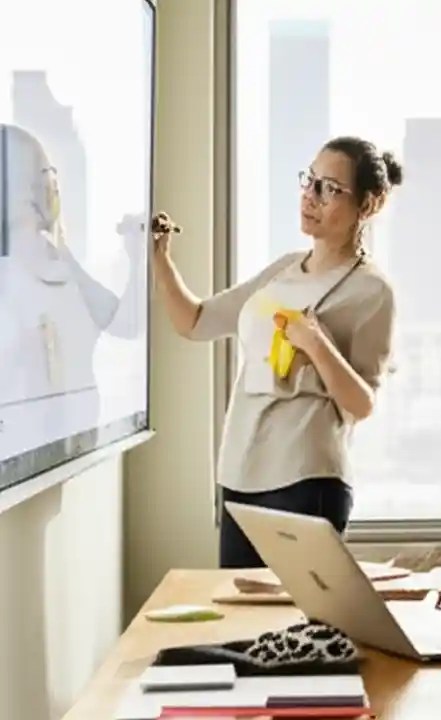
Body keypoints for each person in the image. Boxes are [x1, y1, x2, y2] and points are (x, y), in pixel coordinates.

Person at [152, 136, 402, 568]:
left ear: (369, 204)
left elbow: (362, 403)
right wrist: (159, 257)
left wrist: (318, 346)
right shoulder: (284, 268)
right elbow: (195, 322)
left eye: (330, 188)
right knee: (239, 626)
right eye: (310, 181)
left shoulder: (372, 290)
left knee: (293, 629)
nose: (311, 196)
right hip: (240, 472)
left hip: (306, 477)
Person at [0, 123, 145, 462]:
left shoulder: (61, 266)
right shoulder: (11, 278)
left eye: (50, 177)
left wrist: (139, 259)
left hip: (63, 459)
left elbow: (125, 324)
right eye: (41, 177)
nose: (52, 189)